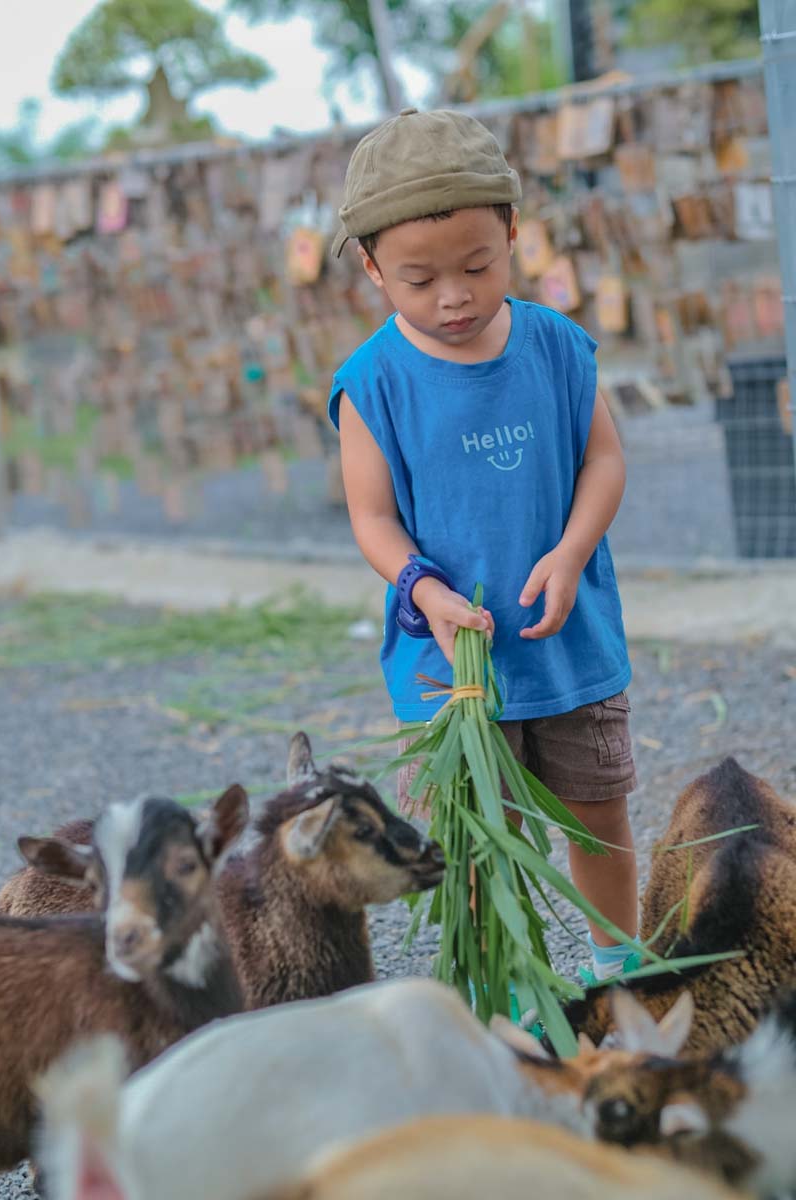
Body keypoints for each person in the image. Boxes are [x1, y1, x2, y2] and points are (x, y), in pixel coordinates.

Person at [328, 107, 639, 986]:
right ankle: (499, 989)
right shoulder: (373, 384)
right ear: (374, 268)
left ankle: (621, 976)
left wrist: (573, 552)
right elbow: (373, 519)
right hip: (452, 673)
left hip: (566, 647)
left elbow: (605, 459)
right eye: (420, 280)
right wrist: (421, 588)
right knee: (475, 844)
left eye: (477, 267)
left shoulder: (554, 346)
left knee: (598, 817)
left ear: (512, 233)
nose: (453, 297)